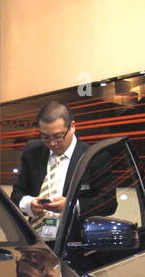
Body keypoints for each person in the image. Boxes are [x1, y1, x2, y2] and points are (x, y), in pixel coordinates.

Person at [10, 101, 92, 242]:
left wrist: (71, 205)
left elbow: (107, 203)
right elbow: (17, 194)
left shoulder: (91, 156)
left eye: (58, 136)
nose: (52, 143)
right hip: (36, 243)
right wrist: (29, 204)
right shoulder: (32, 152)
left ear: (72, 127)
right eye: (45, 137)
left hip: (74, 244)